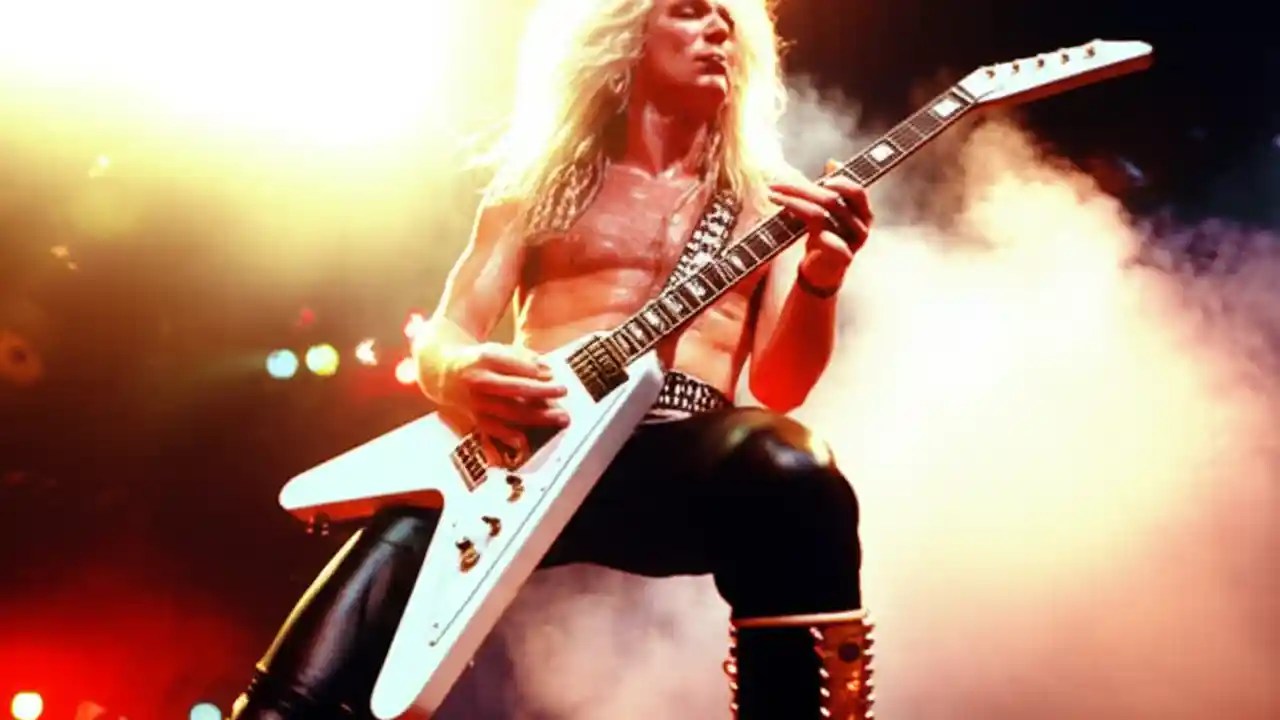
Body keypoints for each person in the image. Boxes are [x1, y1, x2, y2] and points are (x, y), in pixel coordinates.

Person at [231, 0, 876, 717]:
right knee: (300, 687)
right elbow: (449, 331)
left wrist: (821, 277)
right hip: (525, 459)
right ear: (626, 33)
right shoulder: (538, 183)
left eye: (731, 18)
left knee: (791, 472)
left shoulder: (770, 196)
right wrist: (458, 374)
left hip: (676, 458)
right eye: (691, 12)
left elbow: (782, 385)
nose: (720, 29)